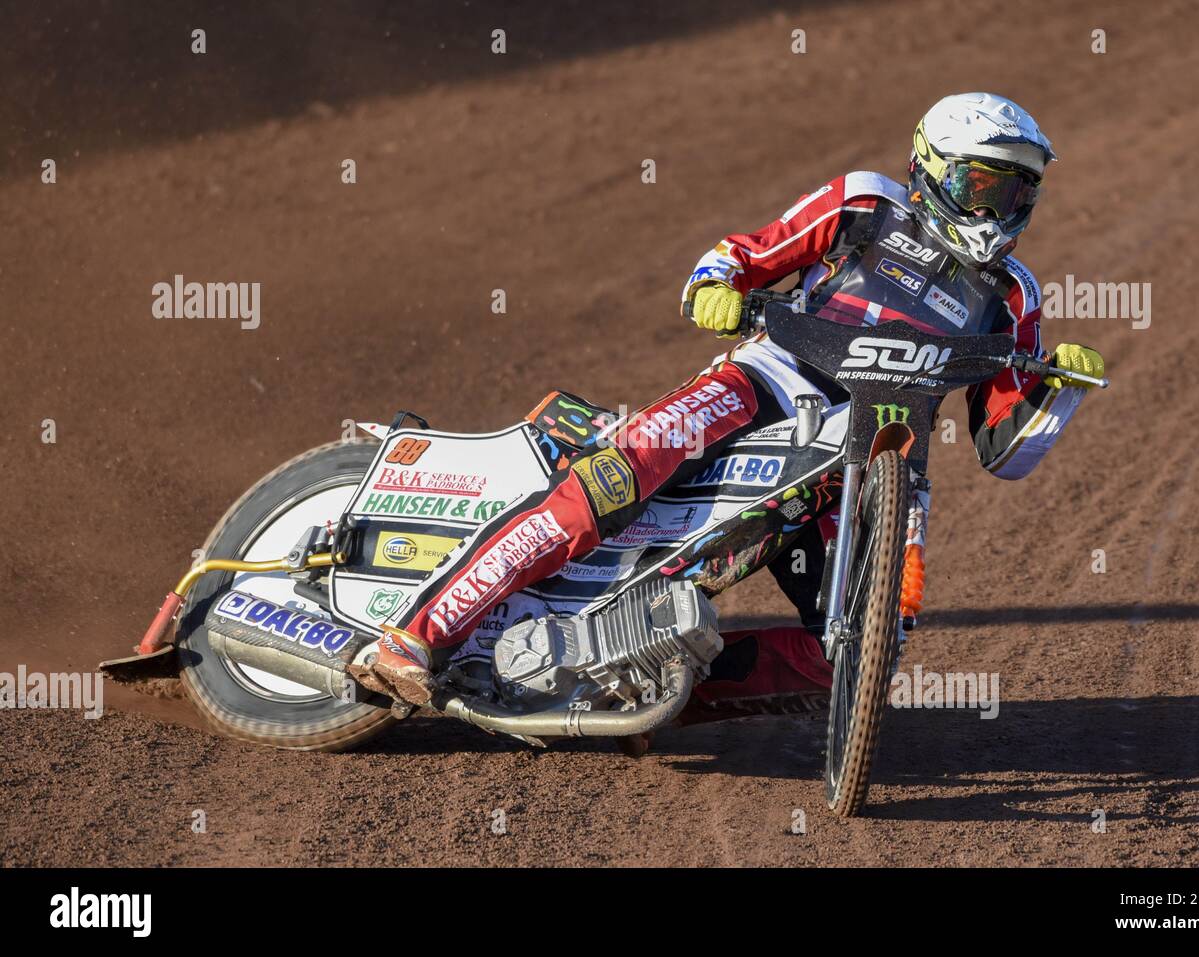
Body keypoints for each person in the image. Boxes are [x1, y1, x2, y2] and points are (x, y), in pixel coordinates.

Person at [349, 92, 1105, 712]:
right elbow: (744, 252)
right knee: (619, 473)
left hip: (878, 452)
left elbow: (1004, 450)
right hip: (766, 382)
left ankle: (643, 690)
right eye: (984, 184)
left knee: (867, 647)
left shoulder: (1013, 294)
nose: (999, 206)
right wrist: (715, 290)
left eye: (1018, 188)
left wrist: (1055, 394)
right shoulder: (865, 204)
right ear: (933, 169)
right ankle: (416, 632)